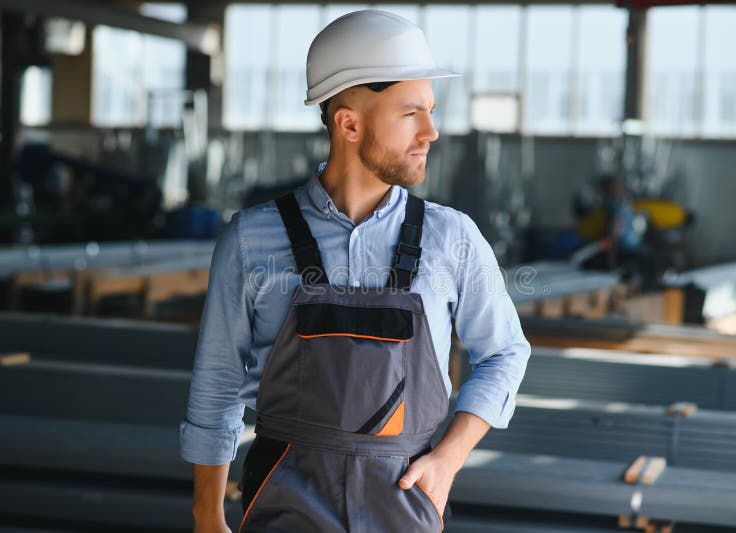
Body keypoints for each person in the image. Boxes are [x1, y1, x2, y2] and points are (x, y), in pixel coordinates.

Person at [181, 10, 531, 533]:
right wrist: (207, 514)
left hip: (406, 500)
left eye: (430, 112)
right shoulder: (252, 241)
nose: (431, 132)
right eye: (412, 113)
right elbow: (217, 382)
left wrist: (448, 459)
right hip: (284, 499)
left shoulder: (452, 238)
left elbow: (505, 352)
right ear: (349, 123)